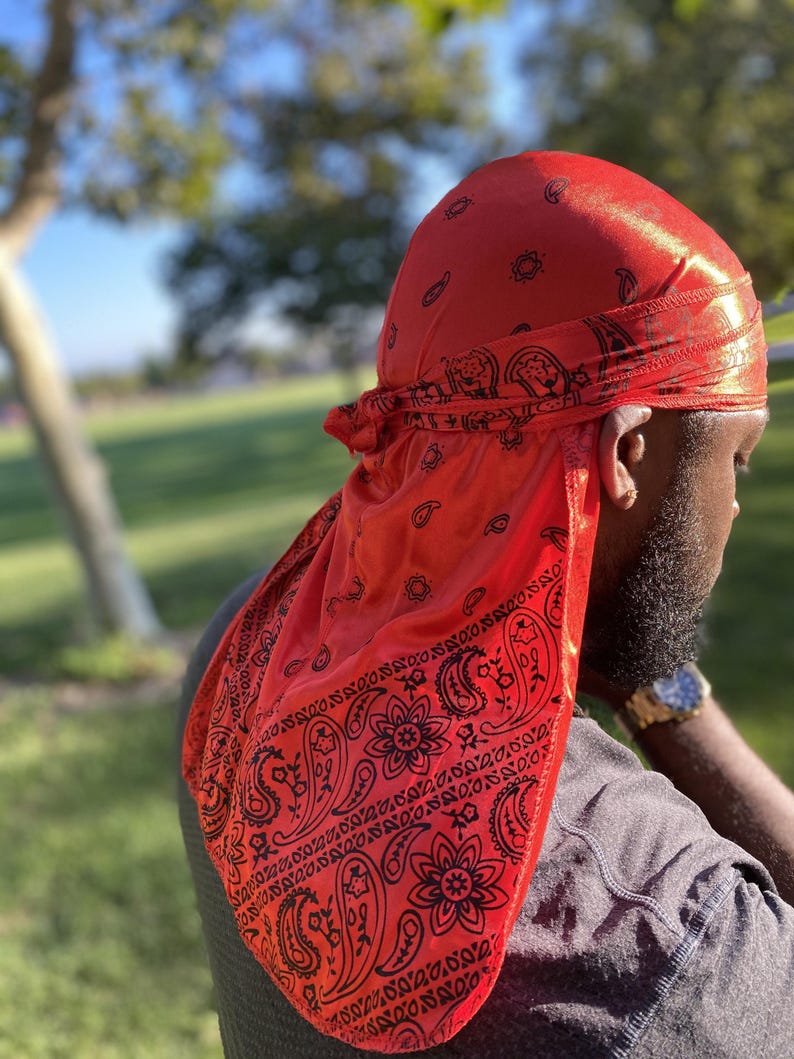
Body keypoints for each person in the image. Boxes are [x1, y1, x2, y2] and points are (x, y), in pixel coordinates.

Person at [177, 151, 794, 1057]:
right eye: (735, 461)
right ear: (626, 455)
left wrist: (645, 668)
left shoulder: (244, 643)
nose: (735, 505)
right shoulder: (665, 933)